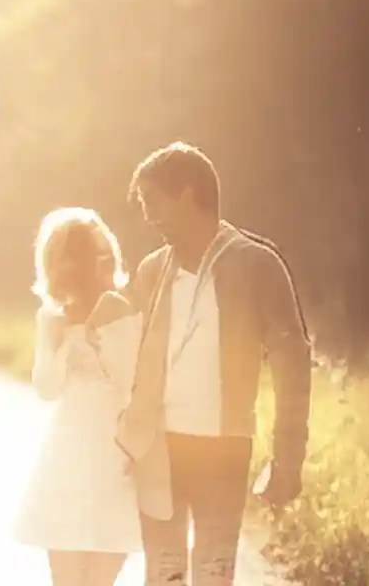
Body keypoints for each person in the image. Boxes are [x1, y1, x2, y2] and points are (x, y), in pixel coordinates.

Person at [116, 142, 312, 585]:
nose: (148, 215)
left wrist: (288, 457)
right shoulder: (152, 270)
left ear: (186, 195)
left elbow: (292, 365)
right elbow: (121, 355)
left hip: (223, 450)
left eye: (153, 202)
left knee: (212, 573)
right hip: (158, 448)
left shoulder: (257, 264)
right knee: (163, 573)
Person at [14, 207, 146, 586]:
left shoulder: (124, 310)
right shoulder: (53, 318)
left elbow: (133, 384)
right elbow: (46, 388)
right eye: (98, 259)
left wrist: (99, 335)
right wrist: (61, 340)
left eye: (109, 256)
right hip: (67, 454)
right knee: (66, 578)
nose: (108, 266)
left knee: (100, 578)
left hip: (116, 453)